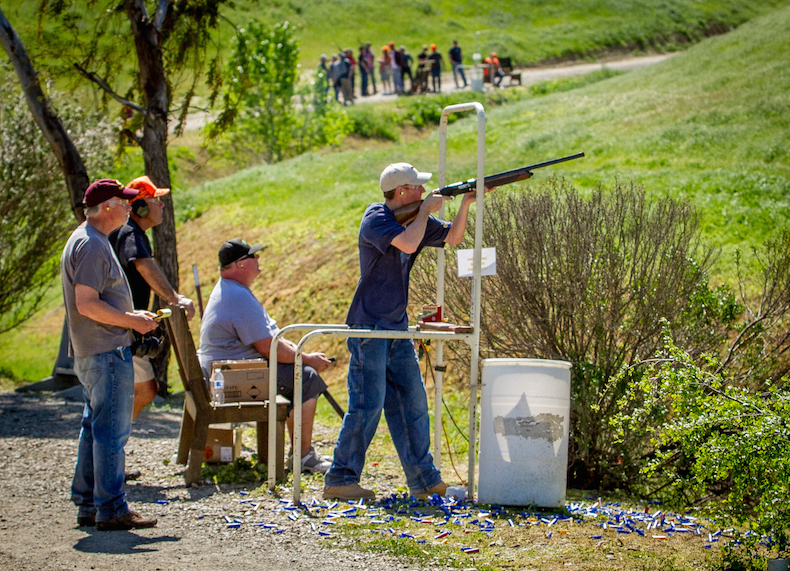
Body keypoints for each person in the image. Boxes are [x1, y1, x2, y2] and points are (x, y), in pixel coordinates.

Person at [323, 163, 485, 501]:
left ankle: (425, 481)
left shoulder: (415, 218)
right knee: (367, 404)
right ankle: (340, 478)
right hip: (370, 326)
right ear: (401, 193)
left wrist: (467, 202)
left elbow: (453, 238)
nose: (423, 193)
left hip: (395, 327)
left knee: (412, 402)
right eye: (417, 189)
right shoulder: (376, 217)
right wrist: (424, 212)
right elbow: (409, 245)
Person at [61, 178, 159, 530]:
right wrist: (131, 320)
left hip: (94, 350)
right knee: (110, 432)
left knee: (95, 427)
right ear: (107, 207)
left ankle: (89, 503)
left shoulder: (89, 239)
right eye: (125, 201)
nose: (130, 208)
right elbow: (87, 304)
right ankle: (112, 508)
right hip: (105, 350)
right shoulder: (91, 245)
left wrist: (130, 320)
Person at [197, 238, 334, 474]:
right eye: (253, 256)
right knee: (307, 377)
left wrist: (300, 352)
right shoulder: (237, 296)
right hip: (228, 379)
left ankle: (301, 454)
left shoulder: (232, 291)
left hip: (226, 373)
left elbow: (271, 337)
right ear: (240, 265)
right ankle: (302, 456)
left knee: (301, 374)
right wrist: (308, 359)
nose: (258, 260)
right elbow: (268, 347)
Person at [108, 176, 195, 421]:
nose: (162, 205)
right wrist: (174, 297)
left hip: (121, 327)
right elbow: (143, 264)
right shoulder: (130, 233)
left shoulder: (128, 232)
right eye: (155, 199)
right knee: (145, 389)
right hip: (121, 329)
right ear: (140, 207)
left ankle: (112, 436)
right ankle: (115, 435)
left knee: (133, 391)